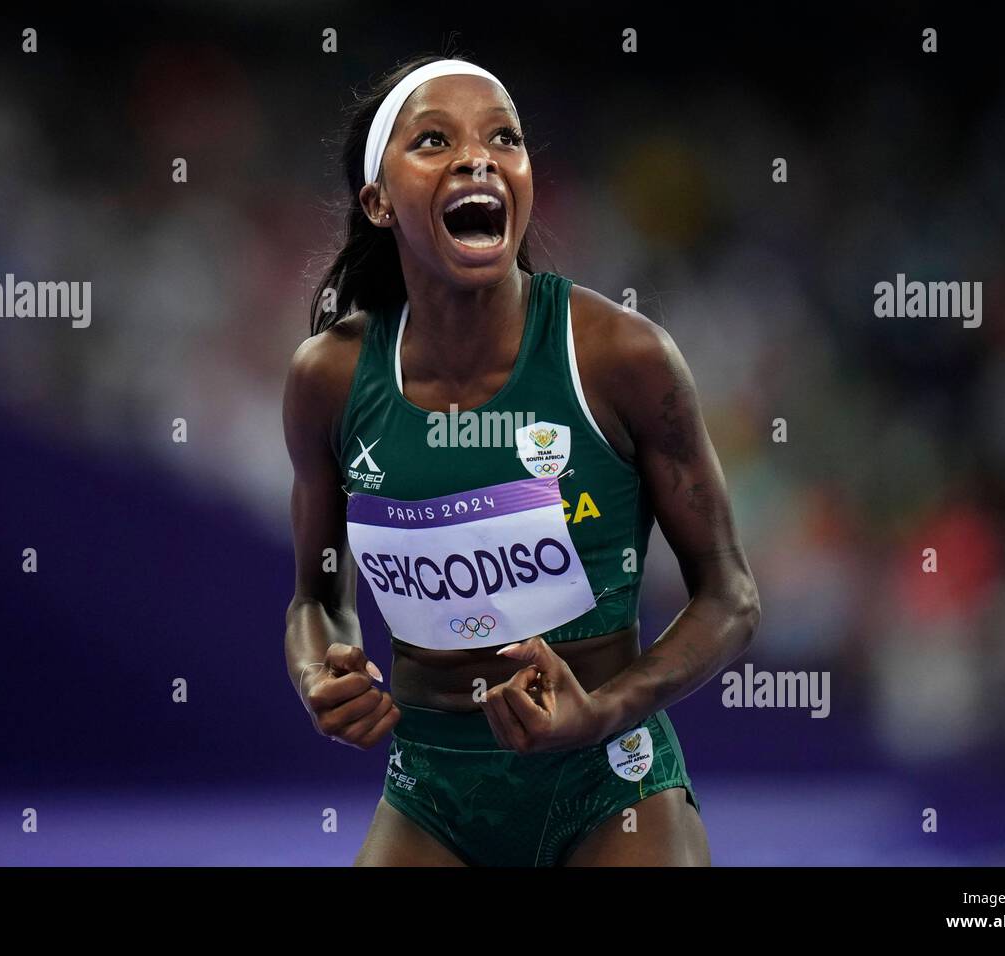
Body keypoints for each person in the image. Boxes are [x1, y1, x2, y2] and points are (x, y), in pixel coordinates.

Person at [284, 53, 760, 866]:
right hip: (431, 789)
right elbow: (316, 599)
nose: (479, 158)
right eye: (434, 141)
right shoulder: (329, 378)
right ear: (376, 201)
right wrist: (317, 674)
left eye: (505, 138)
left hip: (611, 781)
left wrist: (602, 711)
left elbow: (731, 597)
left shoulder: (620, 355)